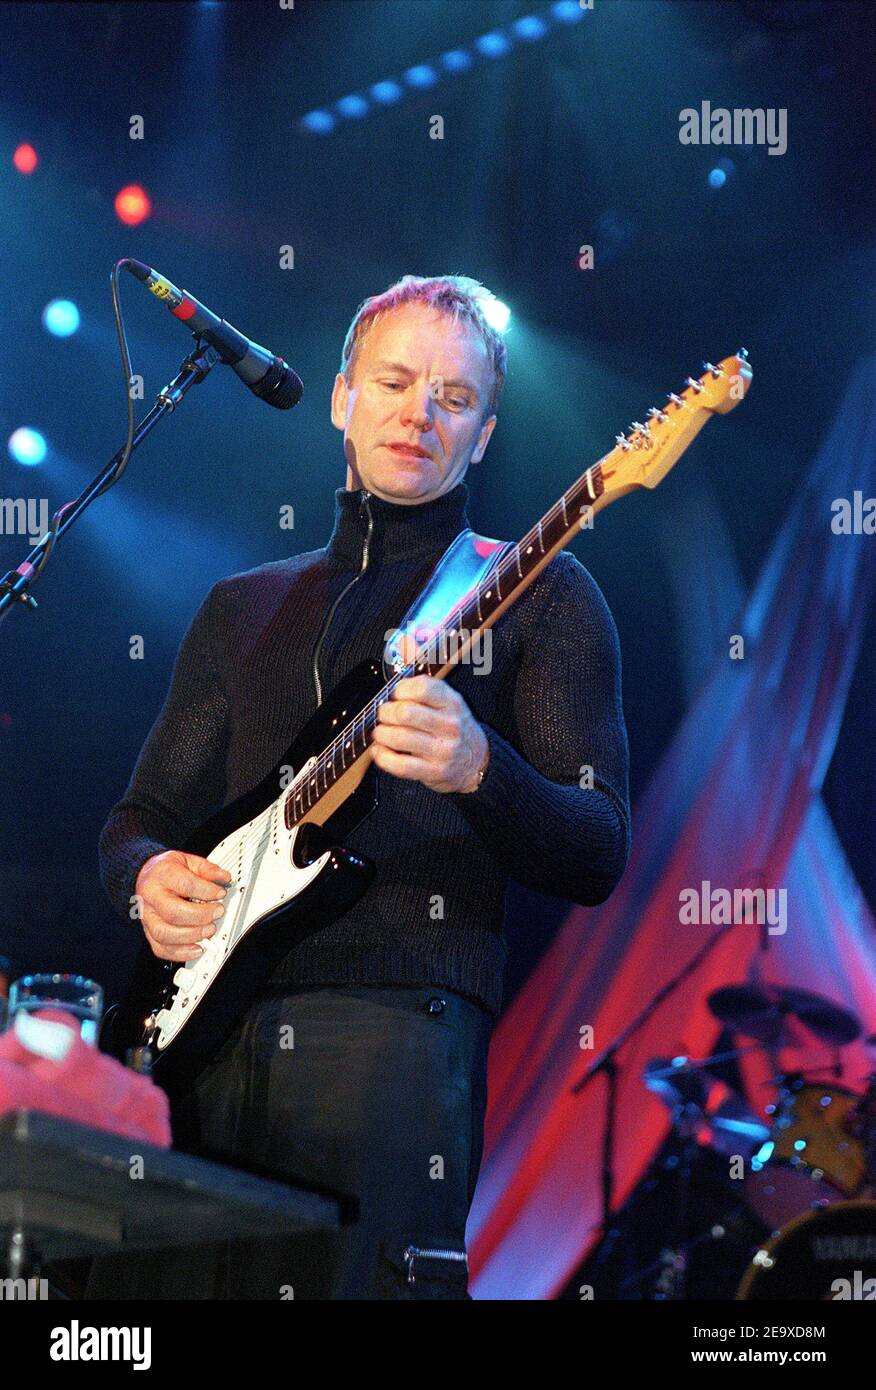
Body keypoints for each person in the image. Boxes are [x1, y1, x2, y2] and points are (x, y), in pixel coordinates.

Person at [87, 275, 631, 1300]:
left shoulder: (542, 590)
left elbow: (598, 844)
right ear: (343, 397)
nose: (420, 411)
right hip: (196, 1043)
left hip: (390, 1036)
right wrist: (145, 876)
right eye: (394, 379)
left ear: (483, 433)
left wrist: (483, 770)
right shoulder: (240, 606)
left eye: (454, 397)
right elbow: (140, 817)